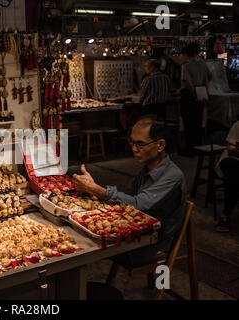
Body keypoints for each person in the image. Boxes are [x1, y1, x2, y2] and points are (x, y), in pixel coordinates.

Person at [73, 115, 187, 266]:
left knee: (83, 249)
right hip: (136, 232)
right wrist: (94, 190)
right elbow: (126, 199)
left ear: (160, 145)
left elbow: (138, 204)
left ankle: (160, 285)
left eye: (140, 144)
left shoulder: (173, 176)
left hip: (151, 244)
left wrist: (97, 190)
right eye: (132, 143)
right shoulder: (146, 169)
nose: (134, 149)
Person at [180, 43, 212, 157]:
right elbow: (209, 77)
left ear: (186, 54)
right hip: (201, 93)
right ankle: (198, 146)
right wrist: (204, 90)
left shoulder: (186, 66)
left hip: (189, 96)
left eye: (182, 54)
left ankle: (190, 148)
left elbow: (188, 83)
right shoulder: (203, 64)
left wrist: (193, 93)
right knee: (198, 122)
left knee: (188, 123)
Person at [215, 120, 239, 233]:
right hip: (232, 161)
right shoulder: (238, 125)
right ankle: (226, 214)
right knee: (232, 168)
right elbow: (230, 148)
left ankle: (226, 214)